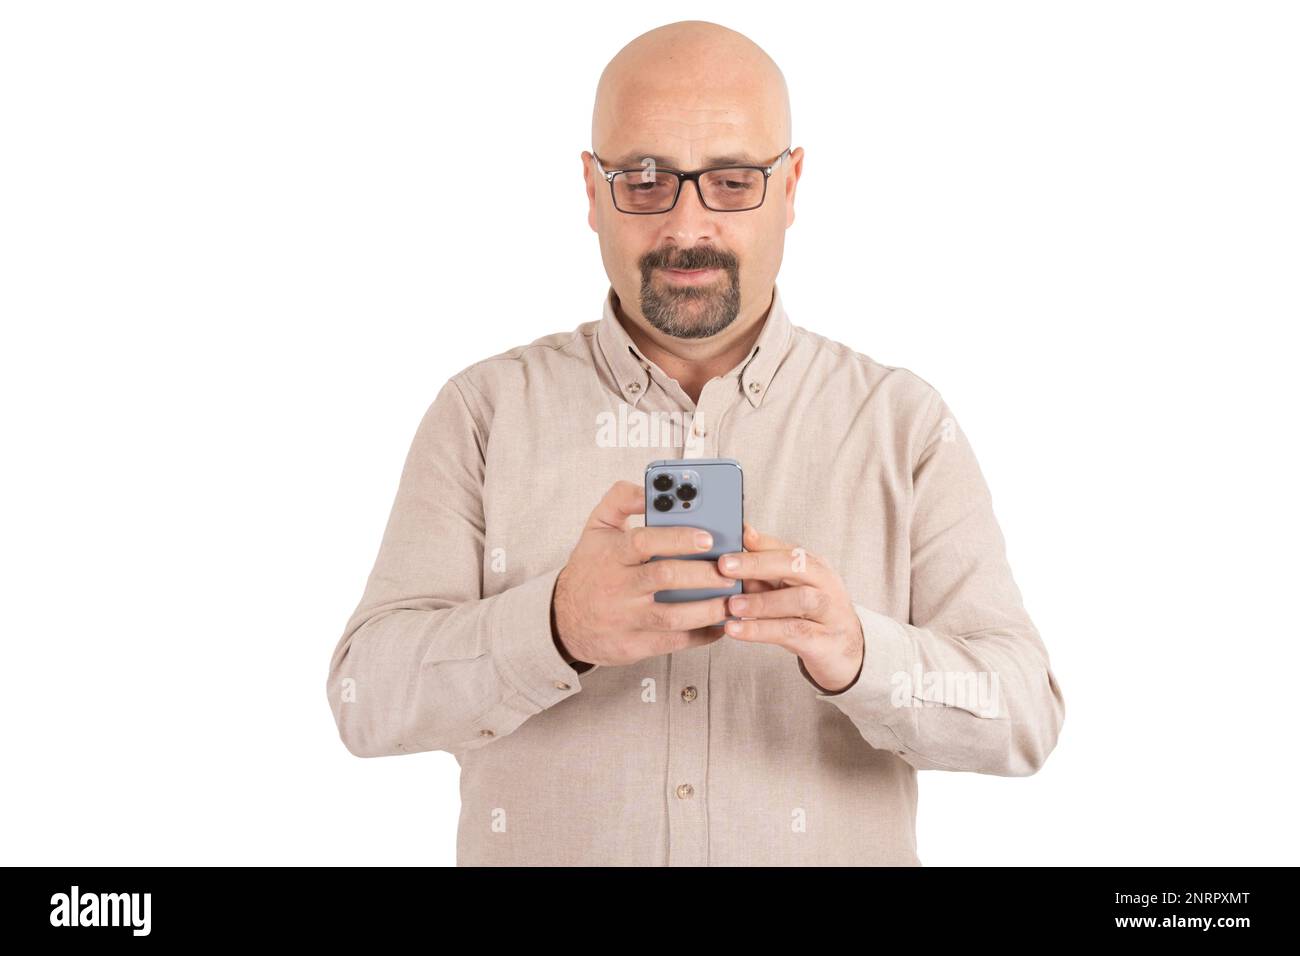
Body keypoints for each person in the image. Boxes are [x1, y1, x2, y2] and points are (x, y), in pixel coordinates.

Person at [325, 19, 1065, 866]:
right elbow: (364, 698)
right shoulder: (482, 413)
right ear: (592, 190)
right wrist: (555, 627)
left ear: (790, 187)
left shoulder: (901, 424)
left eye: (732, 181)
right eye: (643, 180)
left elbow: (1024, 716)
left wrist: (862, 655)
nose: (687, 225)